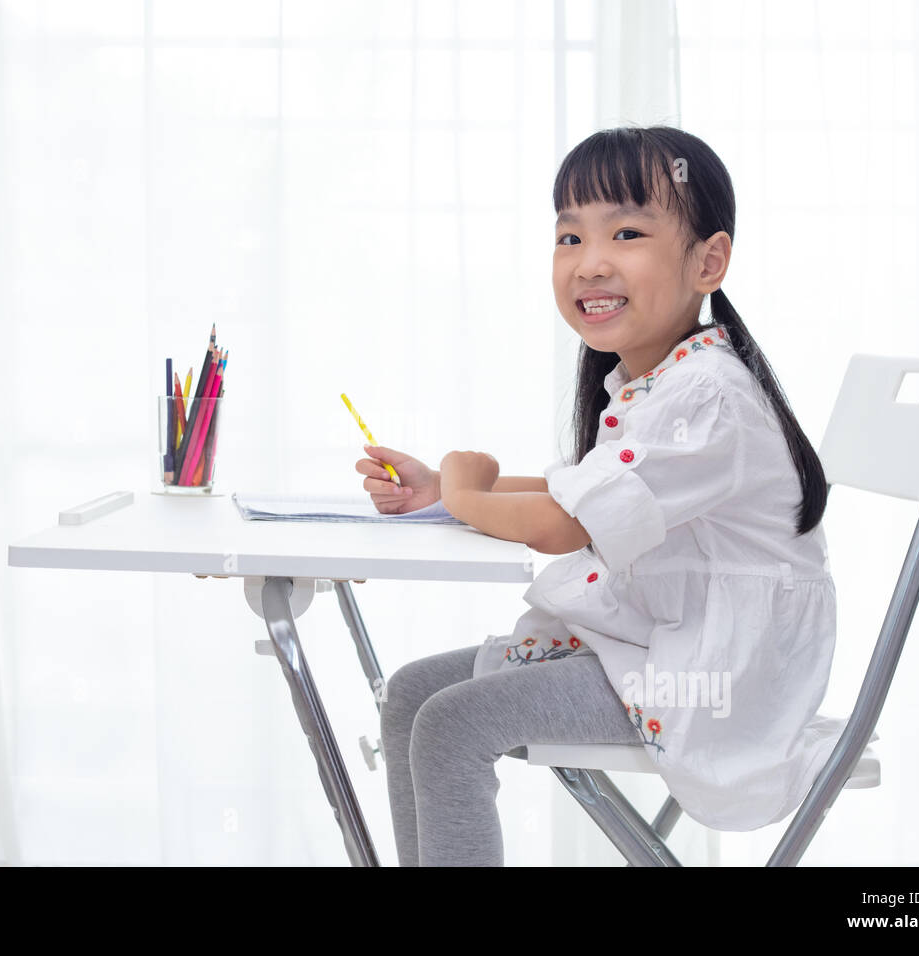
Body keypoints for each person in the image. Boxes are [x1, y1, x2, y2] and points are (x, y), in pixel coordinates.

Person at [356, 125, 848, 867]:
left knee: (453, 723)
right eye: (569, 237)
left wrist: (462, 489)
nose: (590, 262)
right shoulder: (662, 381)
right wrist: (441, 489)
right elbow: (577, 492)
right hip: (661, 647)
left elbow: (561, 524)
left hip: (712, 676)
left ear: (708, 261)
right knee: (411, 695)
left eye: (626, 233)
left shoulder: (707, 396)